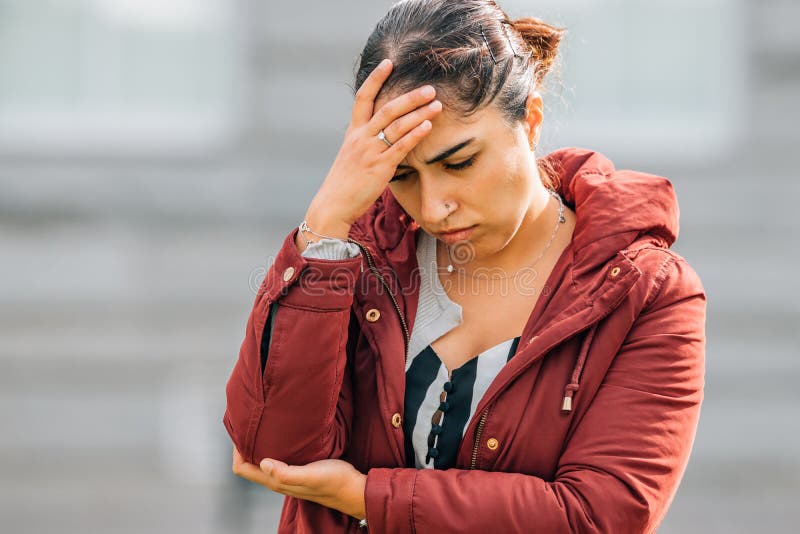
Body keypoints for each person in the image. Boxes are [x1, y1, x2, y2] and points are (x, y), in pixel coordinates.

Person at [223, 0, 707, 532]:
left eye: (459, 162)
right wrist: (325, 225)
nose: (433, 208)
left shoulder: (648, 291)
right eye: (401, 175)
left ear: (531, 120)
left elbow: (598, 517)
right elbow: (276, 450)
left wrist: (370, 498)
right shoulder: (355, 254)